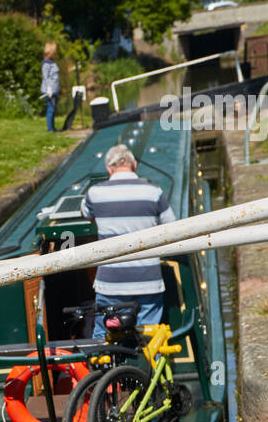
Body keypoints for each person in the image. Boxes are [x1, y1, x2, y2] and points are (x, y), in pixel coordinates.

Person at [80, 144, 175, 337]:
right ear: (135, 165)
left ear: (109, 169)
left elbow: (85, 213)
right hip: (148, 279)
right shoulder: (154, 192)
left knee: (104, 337)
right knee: (149, 338)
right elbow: (172, 228)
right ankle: (147, 367)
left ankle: (106, 366)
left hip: (111, 283)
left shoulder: (95, 193)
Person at [41, 42, 60, 133]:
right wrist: (49, 88)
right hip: (49, 91)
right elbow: (46, 77)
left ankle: (53, 127)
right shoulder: (46, 64)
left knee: (53, 109)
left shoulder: (52, 62)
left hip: (54, 90)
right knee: (50, 109)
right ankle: (50, 129)